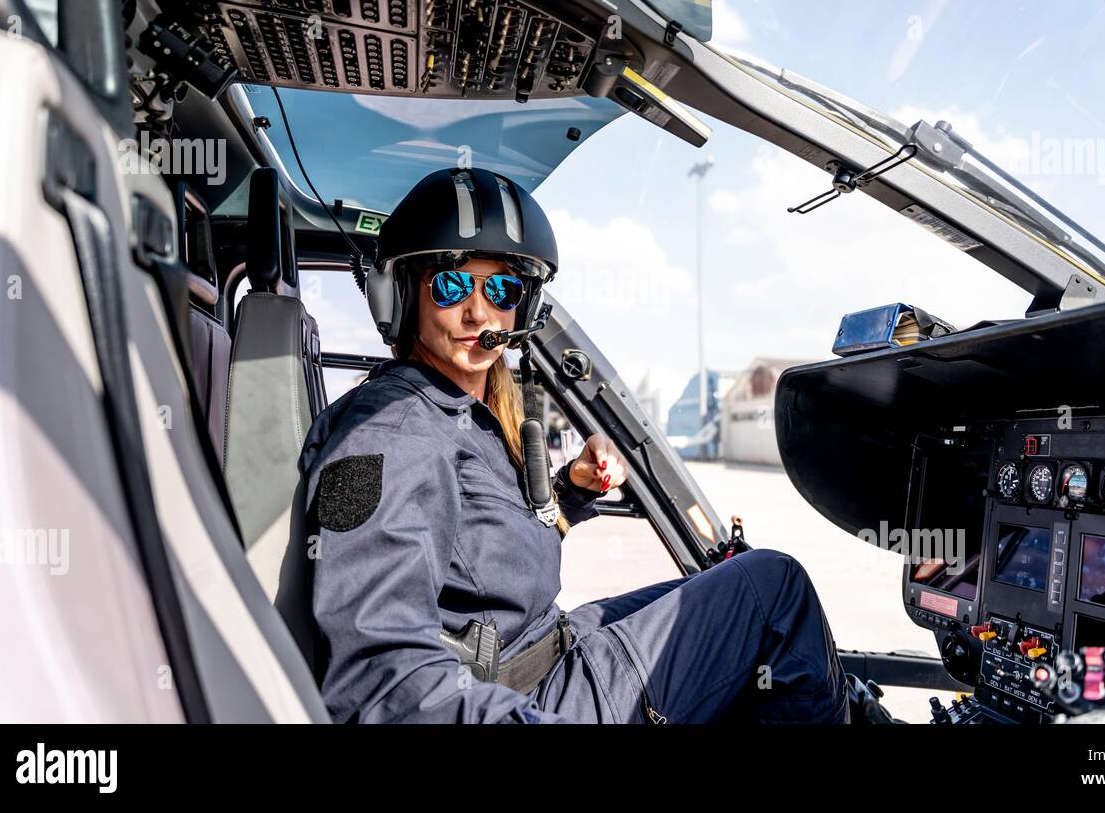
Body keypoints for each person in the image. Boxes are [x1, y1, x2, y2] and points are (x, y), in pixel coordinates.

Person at [297, 167, 853, 723]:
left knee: (714, 591)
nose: (479, 312)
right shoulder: (390, 434)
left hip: (549, 648)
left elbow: (478, 549)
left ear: (524, 305)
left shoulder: (457, 413)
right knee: (774, 590)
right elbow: (376, 677)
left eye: (501, 289)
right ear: (402, 294)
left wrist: (568, 493)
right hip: (527, 701)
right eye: (450, 284)